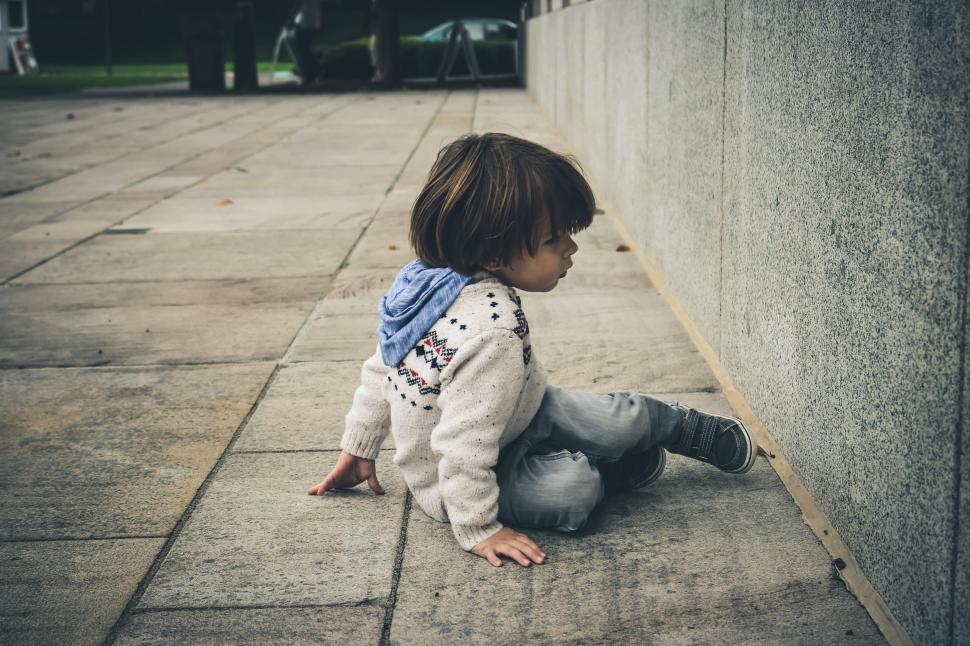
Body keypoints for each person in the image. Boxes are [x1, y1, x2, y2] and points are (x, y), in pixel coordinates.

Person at [307, 133, 758, 567]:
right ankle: (610, 468)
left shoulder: (426, 281)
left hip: (521, 409)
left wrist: (358, 449)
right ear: (492, 255)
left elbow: (380, 370)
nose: (571, 248)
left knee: (618, 420)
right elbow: (457, 440)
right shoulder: (491, 332)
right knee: (573, 494)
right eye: (552, 239)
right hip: (454, 474)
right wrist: (478, 528)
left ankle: (678, 426)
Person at [291, 0, 322, 85]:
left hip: (306, 23)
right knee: (305, 49)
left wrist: (292, 17)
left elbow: (298, 4)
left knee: (303, 49)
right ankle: (312, 72)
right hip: (313, 22)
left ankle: (313, 70)